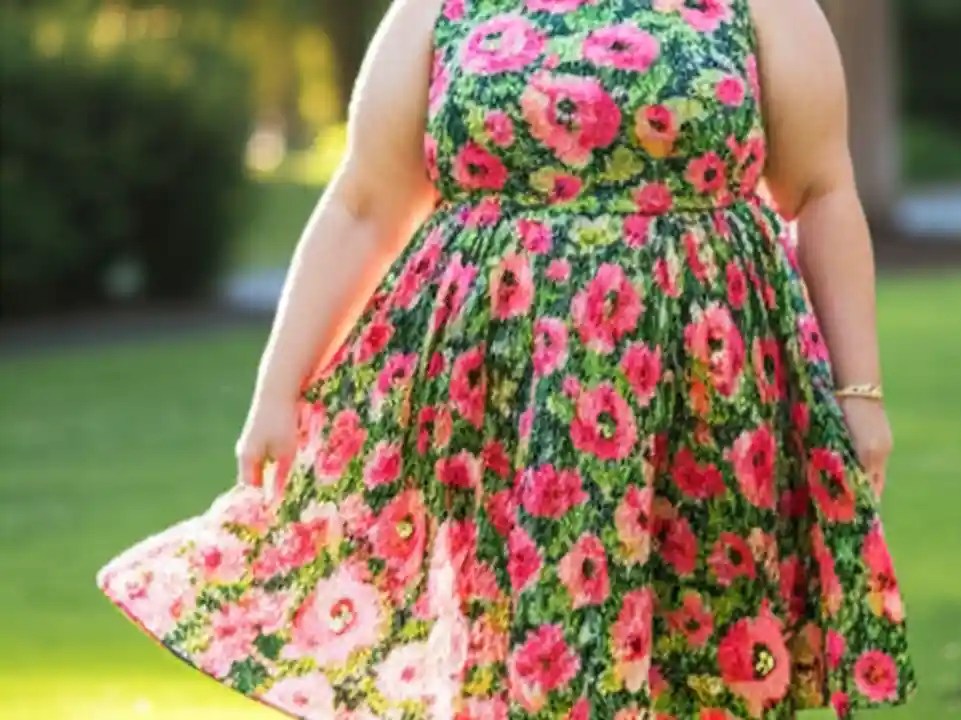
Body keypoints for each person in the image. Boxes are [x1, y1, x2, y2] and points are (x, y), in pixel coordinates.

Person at [95, 0, 917, 717]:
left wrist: (861, 392)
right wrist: (277, 388)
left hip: (706, 396)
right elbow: (364, 201)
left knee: (705, 659)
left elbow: (822, 191)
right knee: (522, 659)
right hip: (502, 409)